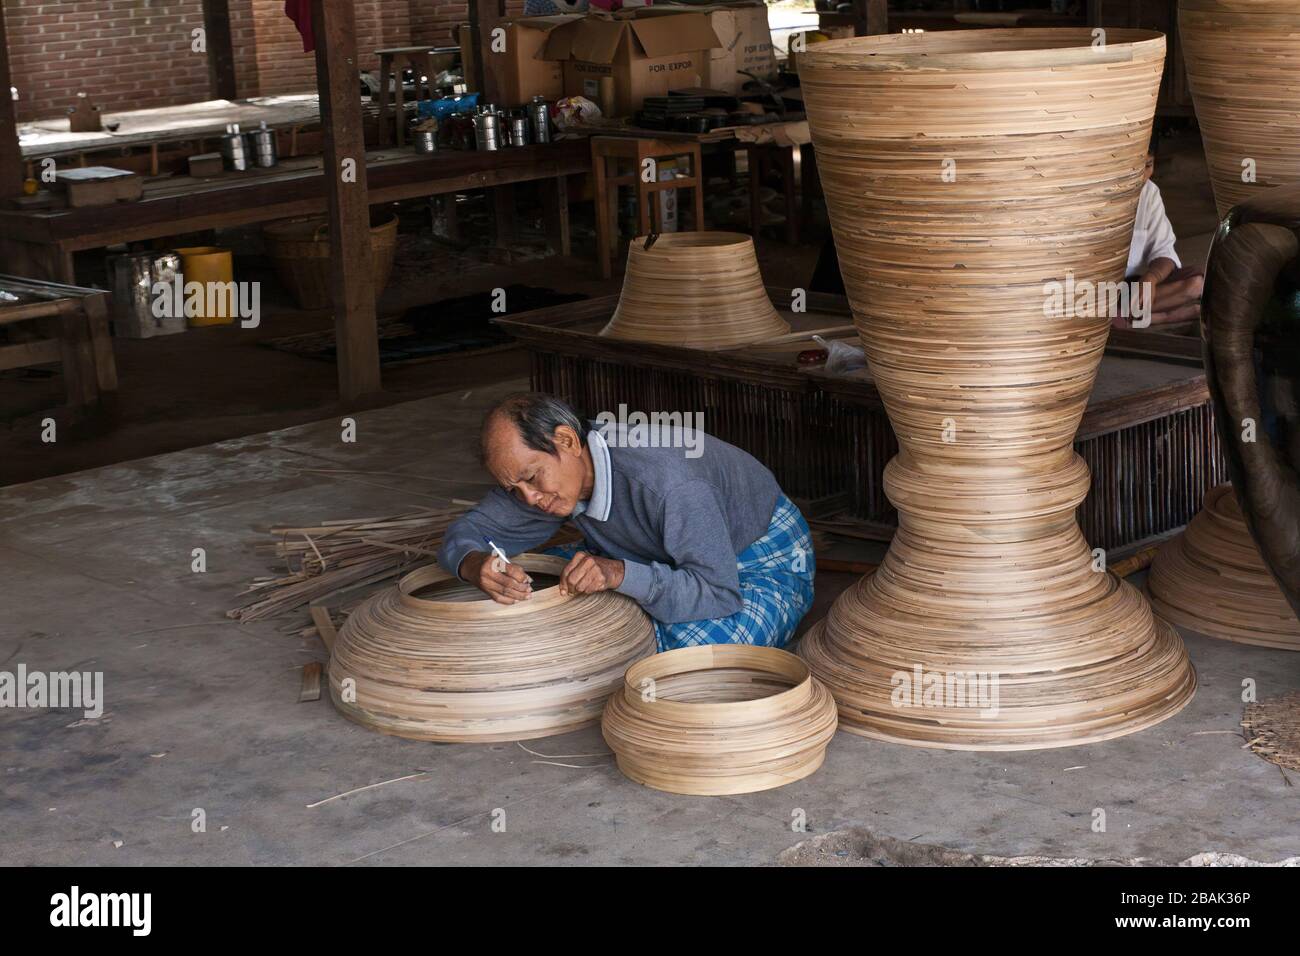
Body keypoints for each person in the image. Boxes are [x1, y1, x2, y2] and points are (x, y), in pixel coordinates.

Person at [436, 392, 815, 652]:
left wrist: (618, 574)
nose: (529, 499)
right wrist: (473, 566)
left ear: (567, 441)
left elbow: (717, 592)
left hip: (755, 560)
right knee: (565, 589)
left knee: (685, 655)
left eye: (532, 479)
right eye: (513, 488)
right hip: (664, 548)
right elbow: (469, 533)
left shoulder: (672, 485)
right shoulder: (539, 482)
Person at [1114, 137, 1204, 329]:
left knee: (1196, 284)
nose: (1142, 175)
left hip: (1135, 287)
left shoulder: (1149, 192)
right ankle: (1162, 317)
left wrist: (1150, 279)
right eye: (1134, 167)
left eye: (1148, 165)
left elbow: (1164, 251)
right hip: (1097, 292)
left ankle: (1126, 316)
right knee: (1081, 304)